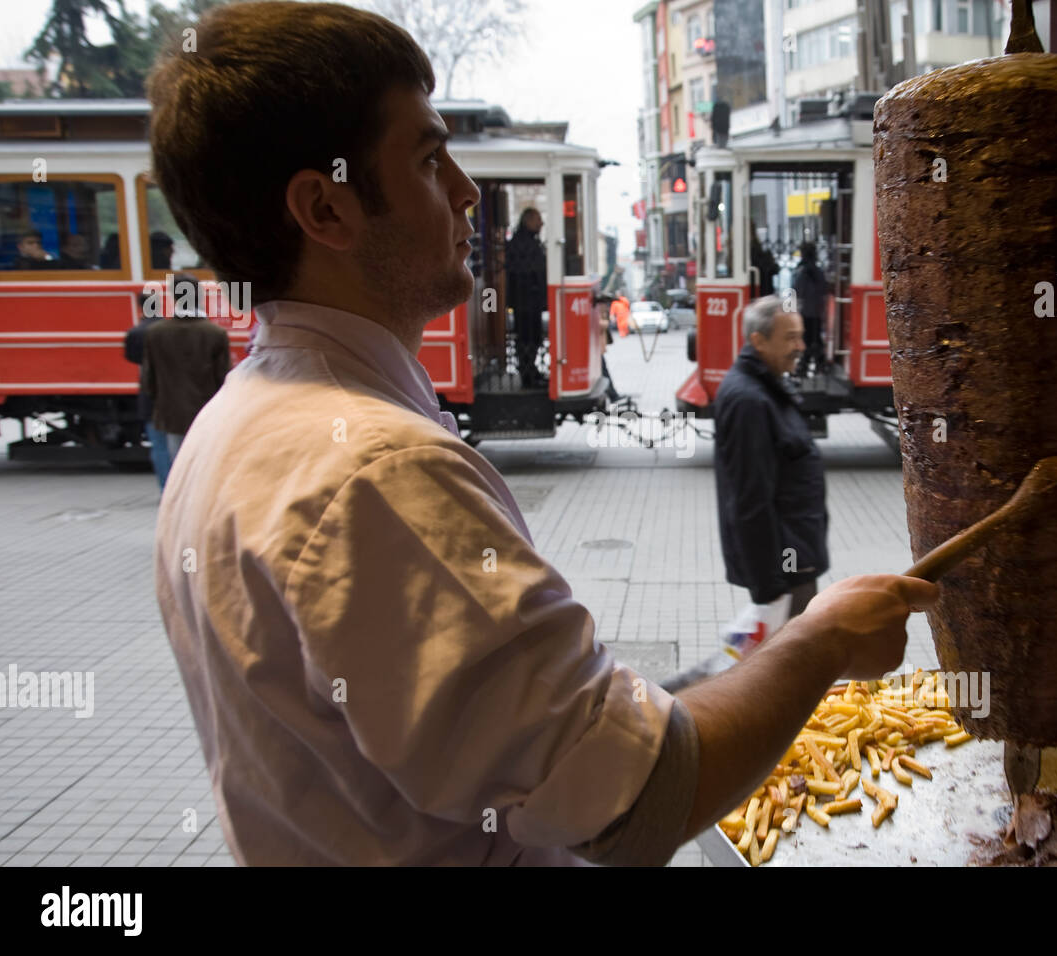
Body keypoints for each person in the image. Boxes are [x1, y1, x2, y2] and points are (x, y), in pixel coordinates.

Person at [146, 0, 936, 867]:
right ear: (325, 209)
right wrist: (819, 640)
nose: (465, 190)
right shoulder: (375, 474)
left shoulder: (229, 426)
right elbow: (636, 800)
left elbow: (513, 736)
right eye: (426, 157)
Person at [714, 295, 829, 618]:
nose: (801, 346)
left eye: (801, 335)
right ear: (758, 341)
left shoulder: (767, 389)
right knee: (797, 663)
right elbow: (750, 499)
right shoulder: (749, 400)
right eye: (790, 337)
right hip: (785, 572)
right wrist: (770, 587)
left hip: (795, 559)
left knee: (800, 660)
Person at [139, 273, 232, 467]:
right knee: (205, 465)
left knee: (179, 466)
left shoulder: (156, 332)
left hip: (171, 412)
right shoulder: (215, 333)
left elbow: (148, 380)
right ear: (199, 296)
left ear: (174, 297)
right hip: (207, 411)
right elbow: (223, 379)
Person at [123, 297, 172, 489]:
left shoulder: (136, 333)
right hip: (175, 394)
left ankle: (166, 490)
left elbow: (131, 357)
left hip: (150, 395)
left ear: (140, 307)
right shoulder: (170, 330)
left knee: (159, 447)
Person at [505, 207, 547, 387]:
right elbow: (527, 272)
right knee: (527, 338)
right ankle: (528, 374)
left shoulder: (527, 242)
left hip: (530, 302)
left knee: (533, 337)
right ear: (528, 221)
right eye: (537, 220)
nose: (541, 223)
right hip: (526, 302)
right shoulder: (522, 244)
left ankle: (531, 371)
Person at [791, 241, 829, 373]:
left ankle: (805, 363)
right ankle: (819, 362)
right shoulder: (817, 270)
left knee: (806, 337)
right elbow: (824, 288)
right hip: (817, 310)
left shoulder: (802, 270)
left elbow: (797, 289)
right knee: (816, 336)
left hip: (806, 310)